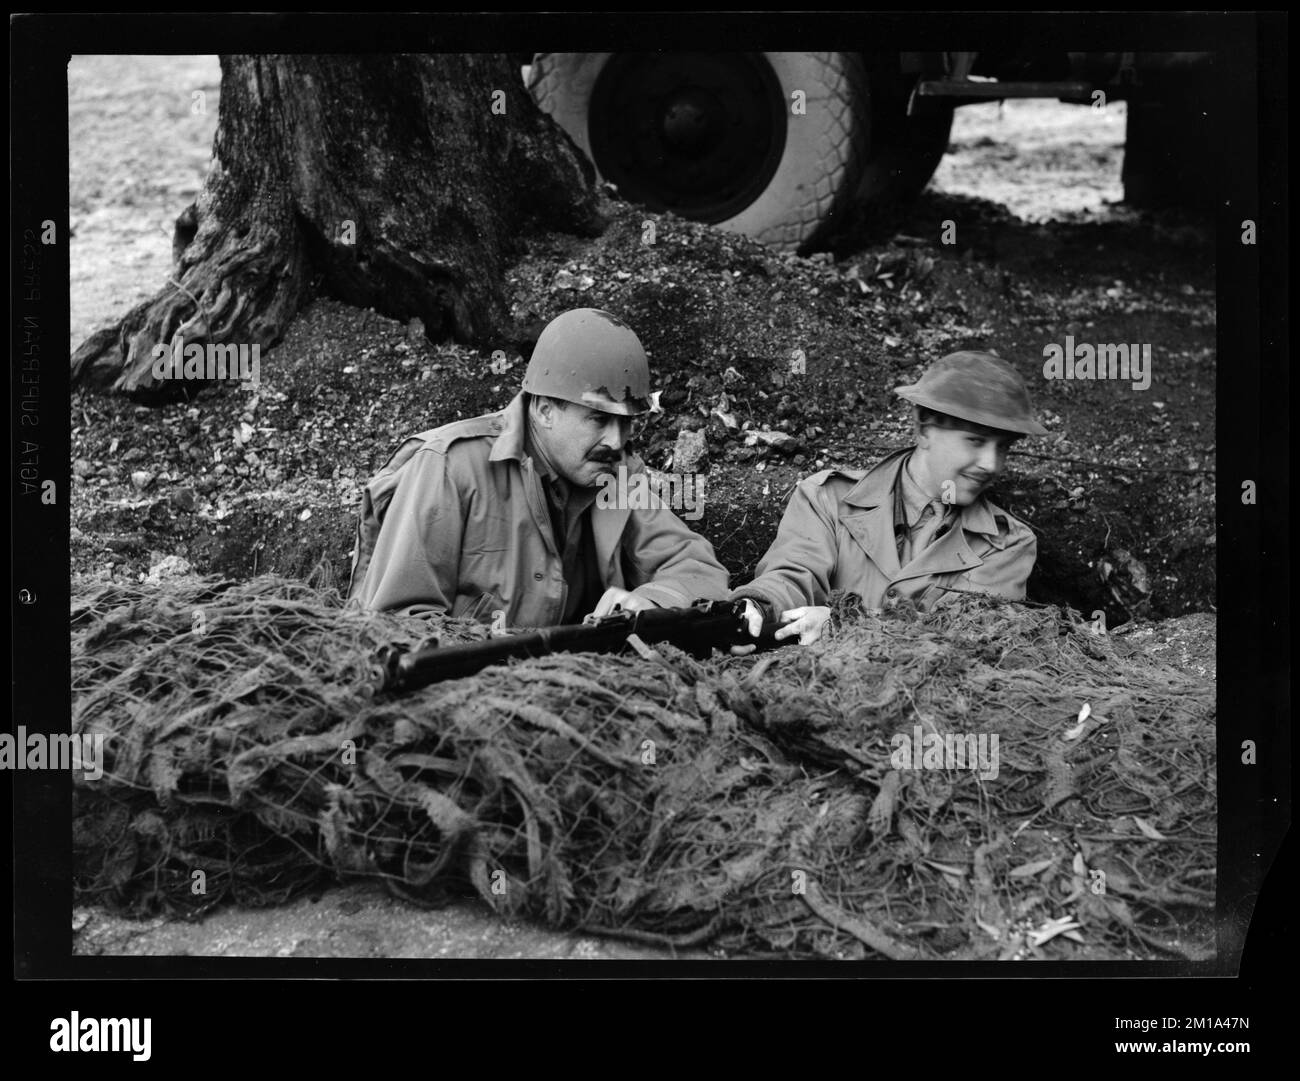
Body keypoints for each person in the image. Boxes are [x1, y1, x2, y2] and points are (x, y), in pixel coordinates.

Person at [348, 308, 730, 626]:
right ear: (545, 410)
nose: (617, 441)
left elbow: (700, 572)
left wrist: (651, 601)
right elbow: (393, 623)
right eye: (599, 420)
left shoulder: (617, 476)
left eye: (626, 422)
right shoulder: (450, 466)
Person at [733, 350, 1047, 649]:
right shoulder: (827, 498)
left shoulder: (1008, 544)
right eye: (975, 441)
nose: (991, 464)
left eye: (1003, 447)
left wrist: (845, 627)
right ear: (923, 429)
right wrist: (758, 605)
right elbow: (792, 575)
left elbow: (970, 637)